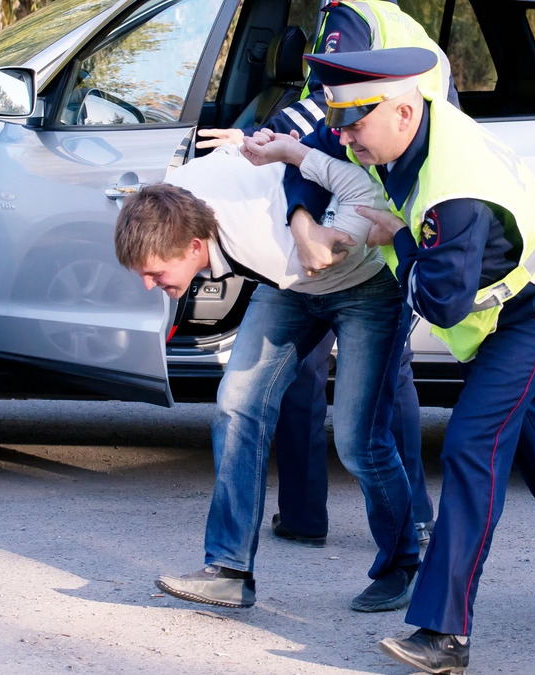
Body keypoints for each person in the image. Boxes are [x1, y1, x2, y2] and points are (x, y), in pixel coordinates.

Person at [247, 47, 535, 674]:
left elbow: (441, 306)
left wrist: (392, 237)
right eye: (339, 123)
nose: (343, 137)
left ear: (402, 111)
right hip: (501, 298)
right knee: (532, 435)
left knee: (471, 445)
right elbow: (322, 148)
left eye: (353, 126)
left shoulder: (456, 195)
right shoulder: (399, 122)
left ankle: (443, 632)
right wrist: (292, 155)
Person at [114, 143, 420, 612]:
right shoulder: (185, 188)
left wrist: (341, 231)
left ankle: (402, 565)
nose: (149, 285)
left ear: (194, 246)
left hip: (364, 289)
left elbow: (359, 187)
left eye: (156, 273)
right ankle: (229, 570)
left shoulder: (263, 243)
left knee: (360, 440)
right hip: (289, 291)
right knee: (237, 409)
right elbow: (253, 158)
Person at [196, 0, 455, 549]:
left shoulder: (347, 16)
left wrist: (266, 140)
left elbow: (330, 115)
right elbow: (327, 132)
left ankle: (345, 522)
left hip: (376, 216)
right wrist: (298, 213)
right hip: (376, 196)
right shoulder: (382, 15)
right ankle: (391, 522)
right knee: (376, 388)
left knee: (353, 406)